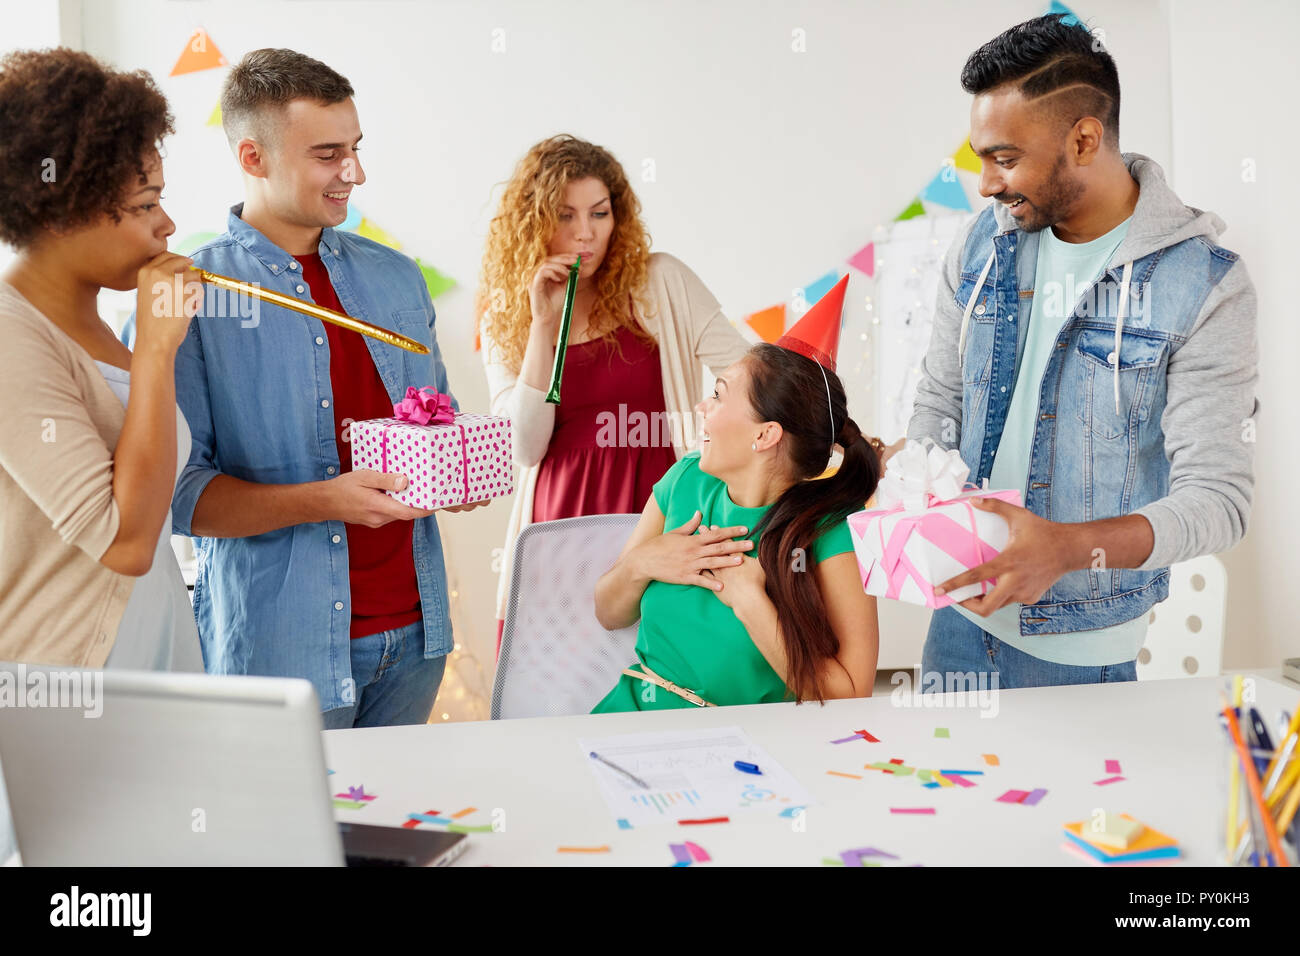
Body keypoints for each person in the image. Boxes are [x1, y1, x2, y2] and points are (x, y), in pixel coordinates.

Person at [906, 14, 1258, 689]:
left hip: (1080, 648)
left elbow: (1218, 501)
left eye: (1004, 158)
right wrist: (912, 479)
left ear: (1084, 140)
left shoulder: (1205, 285)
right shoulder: (983, 244)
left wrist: (1066, 550)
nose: (984, 184)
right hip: (956, 622)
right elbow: (940, 398)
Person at [163, 49, 484, 729]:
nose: (354, 174)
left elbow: (436, 422)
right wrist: (325, 502)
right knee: (283, 839)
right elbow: (181, 498)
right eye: (329, 154)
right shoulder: (190, 295)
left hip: (418, 641)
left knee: (395, 834)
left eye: (356, 149)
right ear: (253, 158)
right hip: (278, 653)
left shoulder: (396, 278)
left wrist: (457, 471)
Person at [0, 47, 204, 863]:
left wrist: (149, 348)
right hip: (64, 683)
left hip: (154, 663)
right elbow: (123, 541)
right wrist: (157, 349)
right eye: (144, 204)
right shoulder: (11, 337)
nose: (166, 226)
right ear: (59, 213)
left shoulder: (107, 326)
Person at [478, 135, 750, 653]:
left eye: (599, 214)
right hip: (560, 523)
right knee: (564, 682)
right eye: (565, 216)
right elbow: (524, 447)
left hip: (656, 513)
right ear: (533, 222)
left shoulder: (661, 281)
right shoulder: (505, 316)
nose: (586, 234)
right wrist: (542, 324)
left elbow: (748, 372)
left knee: (658, 672)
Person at [592, 278, 881, 710]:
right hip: (630, 719)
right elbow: (608, 613)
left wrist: (751, 600)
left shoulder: (830, 529)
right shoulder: (685, 481)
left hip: (746, 748)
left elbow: (851, 691)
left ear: (765, 435)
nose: (701, 407)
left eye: (718, 395)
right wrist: (641, 563)